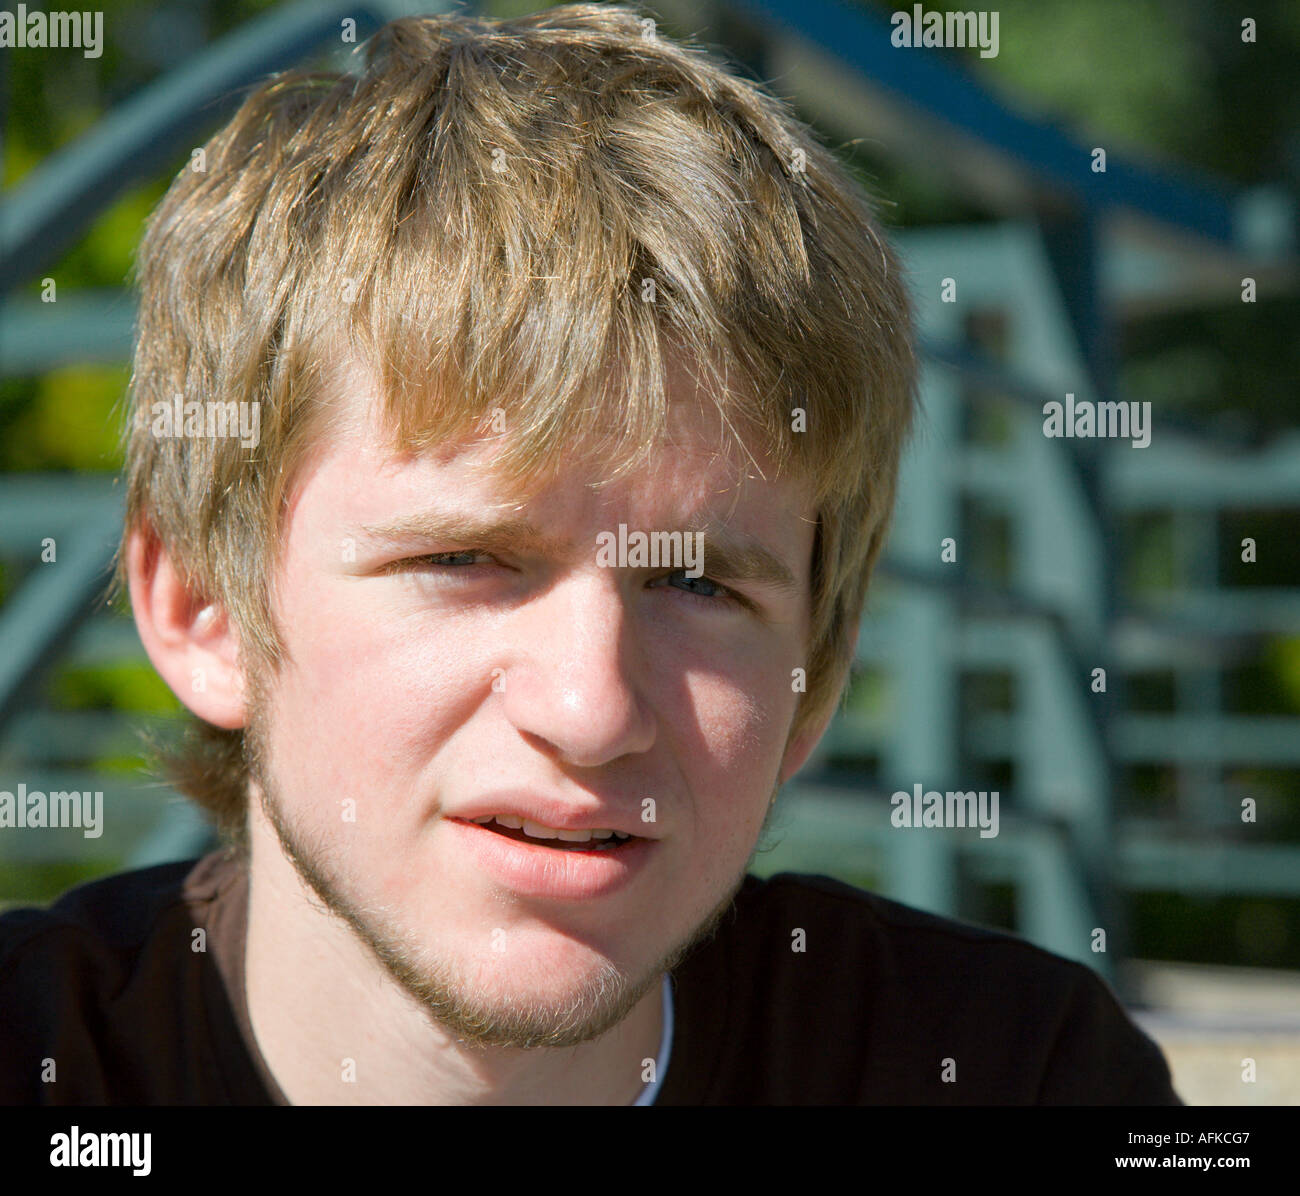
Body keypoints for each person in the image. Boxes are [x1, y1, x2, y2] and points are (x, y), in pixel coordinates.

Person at [0, 4, 1179, 1105]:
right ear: (202, 606)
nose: (591, 707)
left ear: (813, 672)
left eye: (699, 583)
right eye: (466, 559)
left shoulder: (1022, 1069)